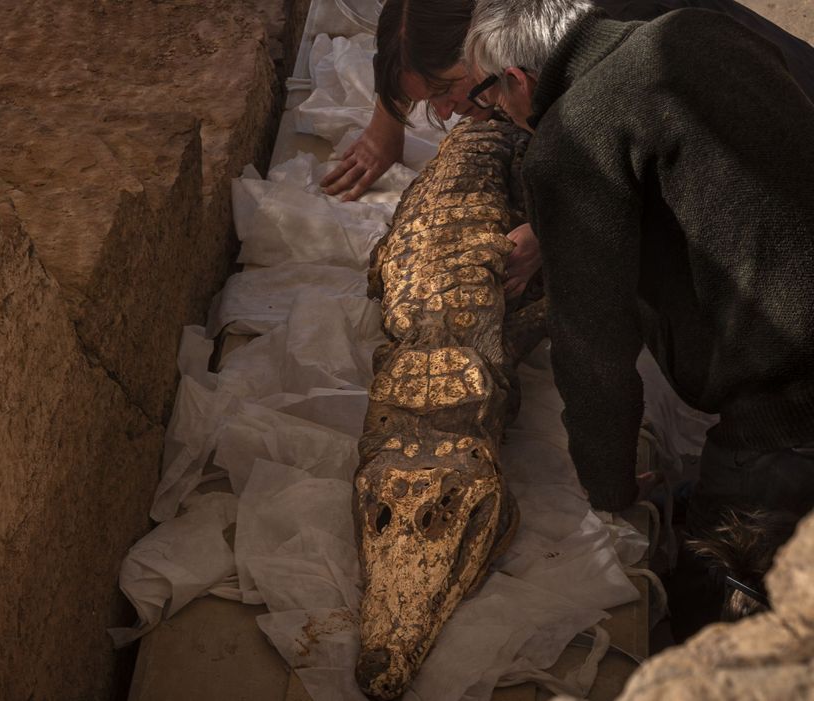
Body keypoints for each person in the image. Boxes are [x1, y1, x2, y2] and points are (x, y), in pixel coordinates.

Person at [461, 0, 814, 632]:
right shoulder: (701, 28)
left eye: (490, 100)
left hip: (790, 408)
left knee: (725, 608)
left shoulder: (574, 135)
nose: (501, 117)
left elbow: (593, 350)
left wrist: (612, 486)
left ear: (515, 80)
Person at [322, 0, 814, 300]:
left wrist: (548, 231)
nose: (447, 113)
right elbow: (412, 23)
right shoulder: (503, 33)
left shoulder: (611, 56)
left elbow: (654, 167)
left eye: (446, 90)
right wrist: (387, 120)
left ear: (484, 46)